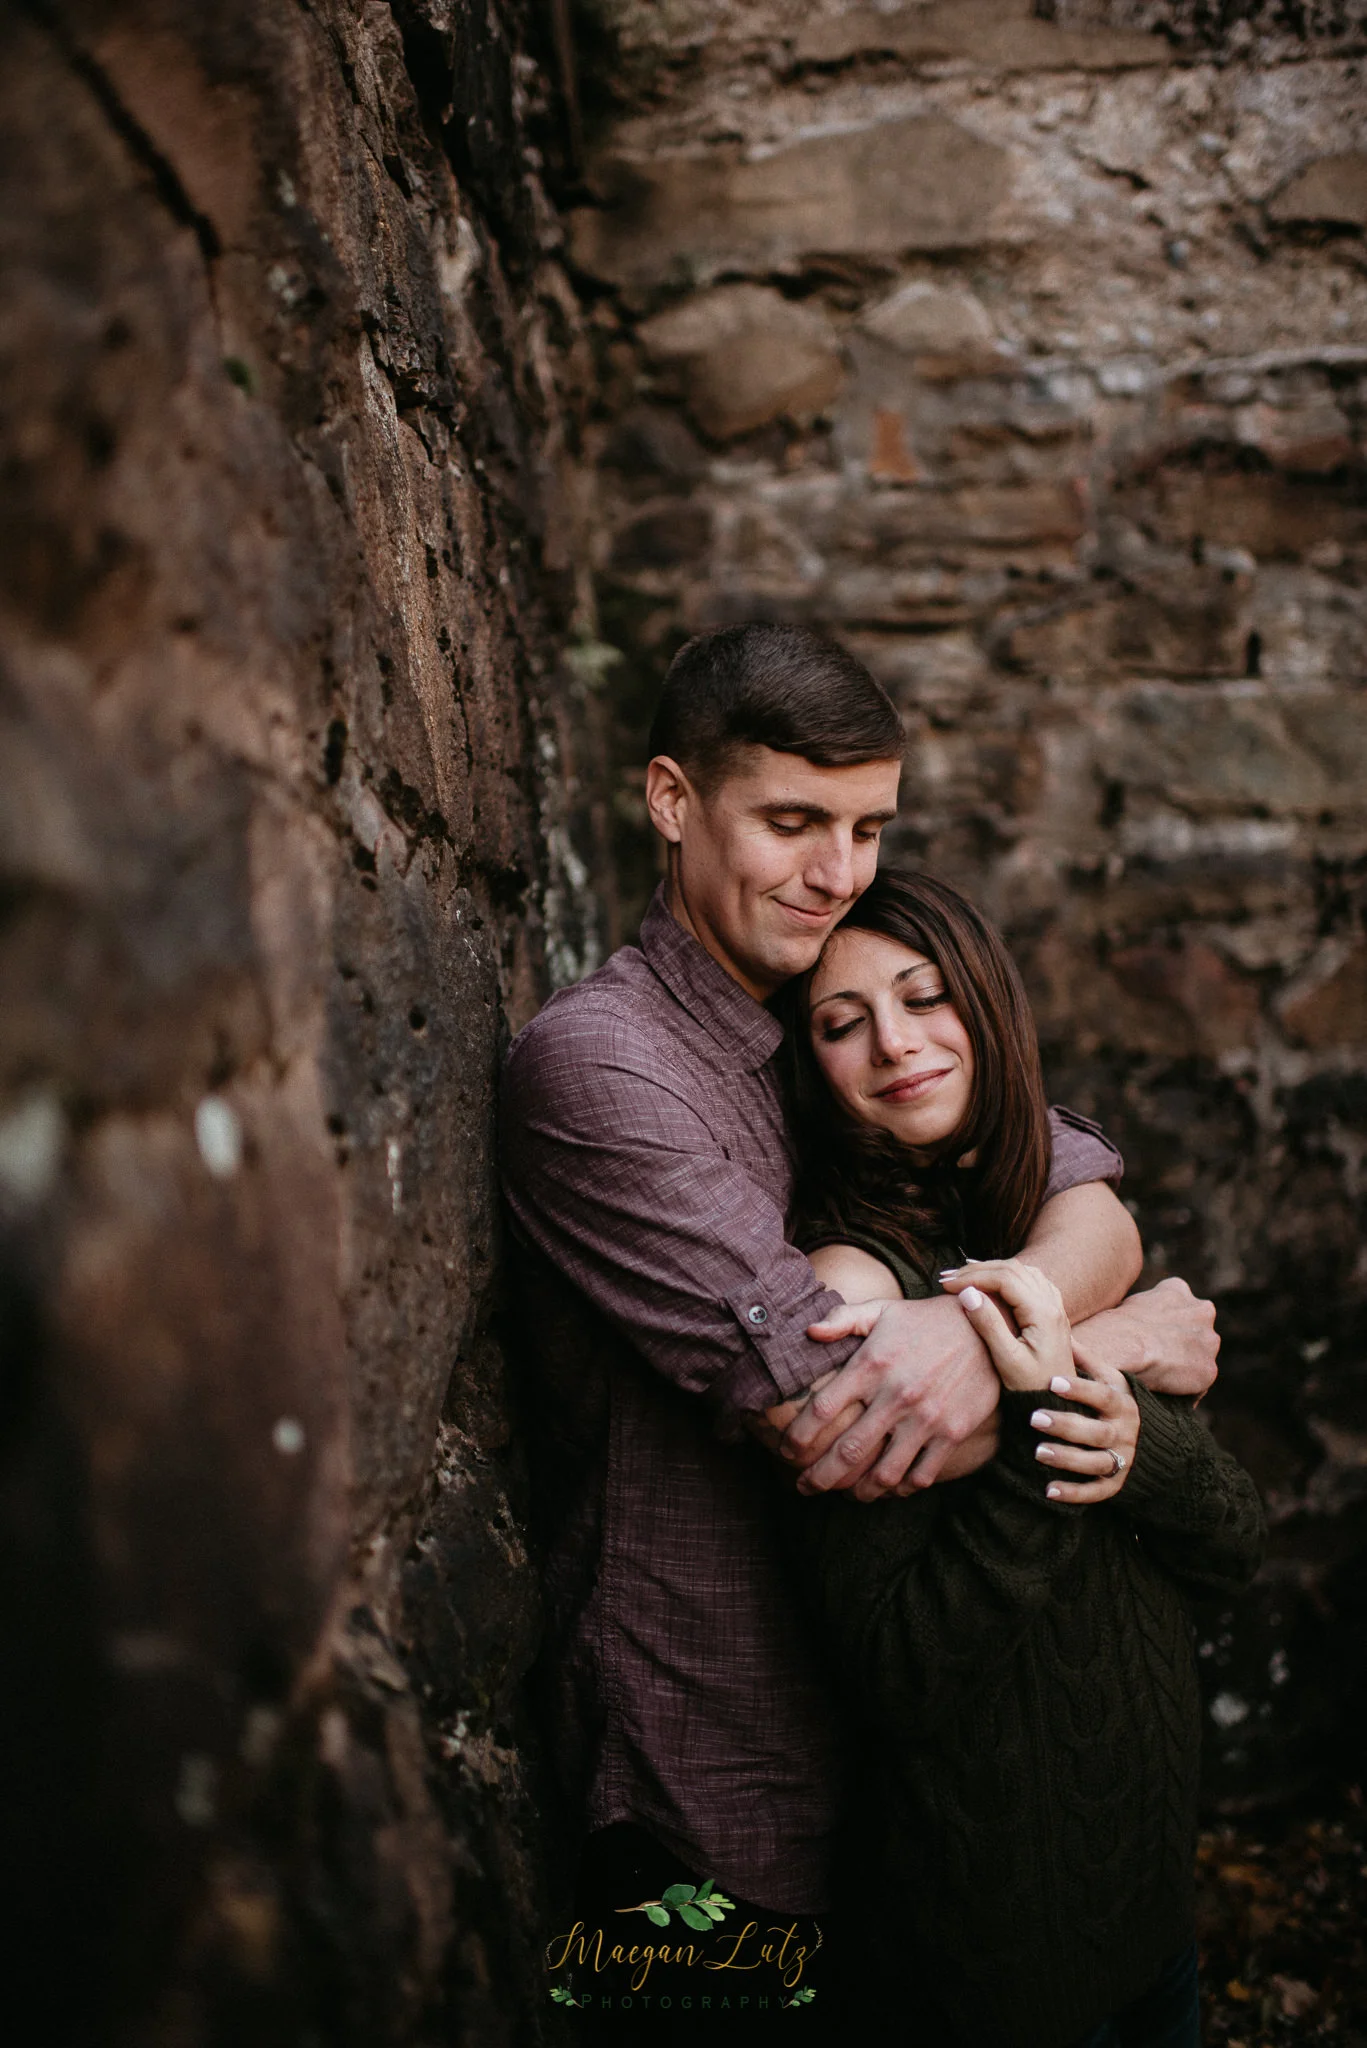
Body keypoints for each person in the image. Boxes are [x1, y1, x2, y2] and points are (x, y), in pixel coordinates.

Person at [500, 624, 1221, 2031]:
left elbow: (1076, 1177)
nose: (836, 874)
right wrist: (1120, 1340)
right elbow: (840, 1417)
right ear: (669, 802)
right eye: (790, 822)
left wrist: (1022, 1311)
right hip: (701, 1812)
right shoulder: (599, 1066)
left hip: (894, 1800)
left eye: (866, 828)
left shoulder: (828, 1015)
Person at [758, 867, 1264, 2047]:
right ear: (809, 1065)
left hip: (1150, 1911)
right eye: (842, 1023)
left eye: (925, 996)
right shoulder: (855, 1299)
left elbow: (1233, 1544)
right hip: (989, 1962)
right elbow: (897, 1670)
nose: (895, 1042)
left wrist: (1126, 1436)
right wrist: (1067, 1415)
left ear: (984, 1002)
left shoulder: (1050, 1225)